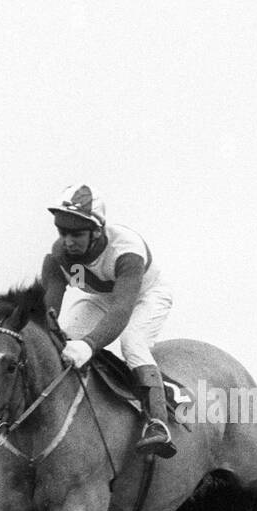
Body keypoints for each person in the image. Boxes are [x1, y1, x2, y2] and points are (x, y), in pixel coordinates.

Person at [39, 184, 177, 458]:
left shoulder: (126, 249)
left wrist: (89, 345)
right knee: (64, 339)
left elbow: (121, 310)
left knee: (133, 343)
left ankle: (157, 423)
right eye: (62, 232)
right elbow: (48, 317)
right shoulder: (59, 257)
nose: (67, 241)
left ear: (98, 231)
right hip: (102, 297)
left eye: (76, 234)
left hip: (144, 296)